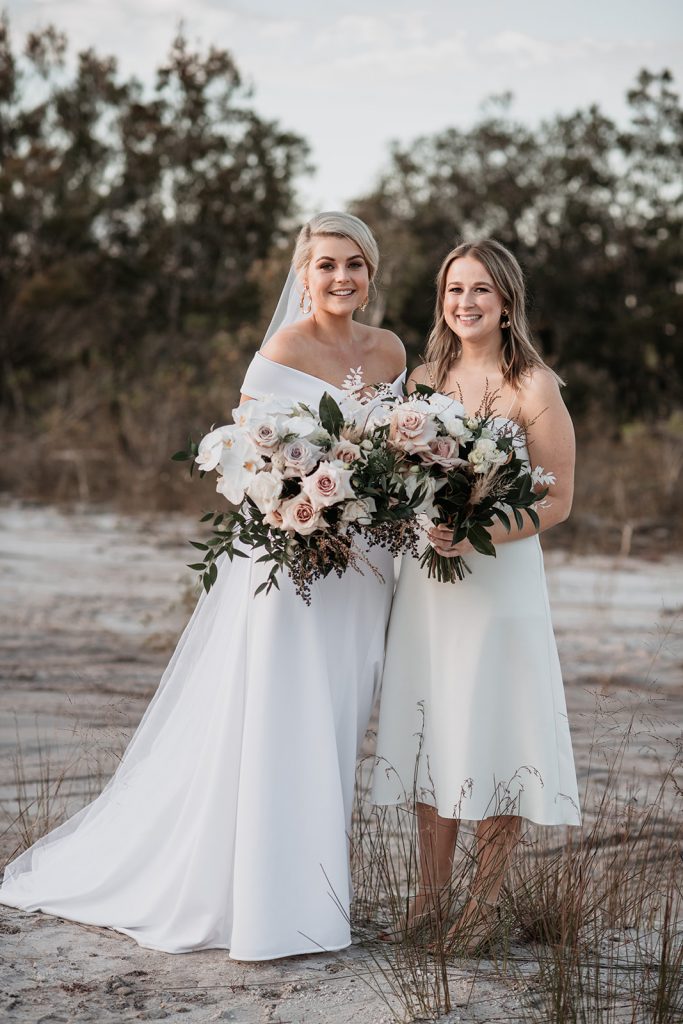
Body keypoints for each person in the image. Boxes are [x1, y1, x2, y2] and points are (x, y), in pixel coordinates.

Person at [0, 212, 406, 961]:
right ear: (302, 273)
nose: (341, 278)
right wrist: (300, 510)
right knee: (285, 713)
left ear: (371, 272)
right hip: (295, 562)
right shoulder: (280, 350)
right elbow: (250, 465)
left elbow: (391, 454)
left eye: (354, 264)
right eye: (325, 265)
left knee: (339, 717)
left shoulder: (388, 350)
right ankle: (267, 905)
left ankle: (315, 889)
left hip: (368, 565)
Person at [372, 239, 581, 954]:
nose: (465, 302)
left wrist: (477, 530)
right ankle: (430, 901)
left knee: (495, 726)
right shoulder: (422, 381)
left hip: (500, 583)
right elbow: (397, 480)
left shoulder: (534, 385)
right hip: (429, 587)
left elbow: (556, 502)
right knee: (435, 727)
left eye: (480, 291)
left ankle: (482, 905)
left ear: (506, 301)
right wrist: (421, 521)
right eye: (454, 289)